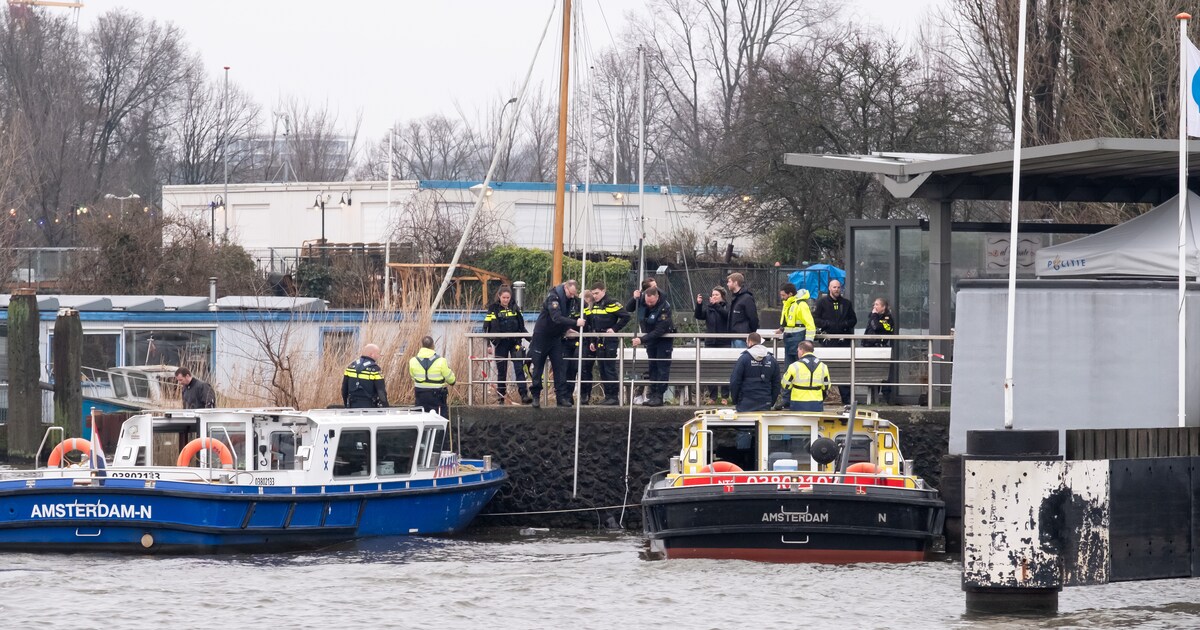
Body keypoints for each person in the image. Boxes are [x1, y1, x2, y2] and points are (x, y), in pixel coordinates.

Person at [527, 279, 585, 408]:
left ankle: (561, 398)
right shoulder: (553, 298)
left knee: (560, 368)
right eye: (571, 293)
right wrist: (575, 323)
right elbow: (556, 317)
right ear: (565, 288)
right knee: (538, 368)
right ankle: (536, 396)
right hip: (542, 337)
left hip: (556, 338)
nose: (572, 296)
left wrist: (566, 329)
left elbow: (561, 319)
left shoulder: (569, 300)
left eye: (574, 294)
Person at [584, 282, 631, 405]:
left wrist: (614, 329)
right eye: (593, 294)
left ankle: (613, 397)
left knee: (609, 369)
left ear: (603, 291)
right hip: (598, 340)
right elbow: (593, 324)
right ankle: (608, 396)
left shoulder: (611, 303)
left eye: (597, 293)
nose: (595, 296)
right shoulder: (595, 305)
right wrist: (592, 341)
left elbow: (626, 316)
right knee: (602, 369)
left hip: (609, 341)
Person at [483, 287, 532, 405]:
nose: (506, 300)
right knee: (502, 371)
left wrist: (532, 340)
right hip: (500, 343)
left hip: (515, 342)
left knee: (519, 368)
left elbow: (522, 328)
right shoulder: (493, 309)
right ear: (499, 296)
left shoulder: (515, 308)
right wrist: (488, 344)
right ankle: (501, 396)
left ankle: (524, 395)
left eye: (508, 298)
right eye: (504, 298)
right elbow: (486, 327)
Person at [813, 279, 857, 404]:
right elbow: (816, 318)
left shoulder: (846, 303)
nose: (836, 289)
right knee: (826, 369)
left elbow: (853, 320)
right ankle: (821, 396)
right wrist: (827, 325)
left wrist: (844, 325)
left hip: (843, 341)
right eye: (834, 287)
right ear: (829, 288)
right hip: (828, 341)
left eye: (838, 287)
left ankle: (846, 399)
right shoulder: (822, 303)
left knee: (844, 369)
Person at [630, 286, 673, 407]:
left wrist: (641, 340)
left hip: (662, 342)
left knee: (662, 368)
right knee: (652, 367)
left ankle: (659, 395)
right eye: (647, 301)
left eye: (652, 302)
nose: (649, 304)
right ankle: (652, 394)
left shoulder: (665, 307)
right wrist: (635, 298)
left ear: (657, 297)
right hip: (650, 342)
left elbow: (660, 330)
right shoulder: (643, 300)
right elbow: (629, 308)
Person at [695, 286, 731, 403]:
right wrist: (699, 304)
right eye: (713, 294)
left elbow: (727, 316)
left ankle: (725, 396)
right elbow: (699, 316)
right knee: (710, 368)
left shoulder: (727, 306)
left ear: (722, 296)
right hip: (710, 342)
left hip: (724, 342)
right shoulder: (709, 308)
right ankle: (713, 396)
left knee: (725, 368)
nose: (714, 297)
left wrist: (716, 305)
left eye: (716, 295)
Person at [728, 332, 780, 412]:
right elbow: (776, 384)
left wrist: (735, 400)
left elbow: (735, 381)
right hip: (765, 403)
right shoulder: (772, 360)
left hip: (745, 403)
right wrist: (771, 402)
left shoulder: (744, 359)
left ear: (750, 342)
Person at [409, 336, 456, 417]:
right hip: (437, 397)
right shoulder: (441, 361)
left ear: (422, 345)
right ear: (433, 346)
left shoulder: (413, 361)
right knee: (440, 420)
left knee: (421, 418)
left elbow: (413, 377)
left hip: (420, 396)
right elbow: (451, 380)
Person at [781, 340, 830, 412]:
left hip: (797, 403)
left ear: (801, 351)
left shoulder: (794, 366)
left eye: (798, 351)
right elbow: (826, 386)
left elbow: (785, 385)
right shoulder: (823, 366)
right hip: (816, 403)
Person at [864, 297, 896, 404]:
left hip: (881, 349)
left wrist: (874, 316)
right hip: (870, 348)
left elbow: (877, 328)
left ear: (883, 307)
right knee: (872, 374)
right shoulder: (873, 317)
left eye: (877, 305)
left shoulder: (888, 318)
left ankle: (886, 399)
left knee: (884, 375)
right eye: (874, 305)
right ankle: (873, 397)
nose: (874, 307)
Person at [775, 282, 815, 367]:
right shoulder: (789, 304)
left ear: (790, 294)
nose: (782, 298)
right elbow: (790, 321)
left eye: (783, 295)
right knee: (790, 367)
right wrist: (782, 329)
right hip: (790, 339)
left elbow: (810, 324)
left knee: (799, 367)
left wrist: (808, 341)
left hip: (798, 339)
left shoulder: (801, 305)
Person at [341, 344, 388, 408]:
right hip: (369, 407)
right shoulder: (375, 369)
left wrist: (346, 404)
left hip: (353, 405)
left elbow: (344, 389)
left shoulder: (351, 366)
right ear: (372, 354)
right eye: (378, 354)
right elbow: (381, 391)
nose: (379, 356)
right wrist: (386, 407)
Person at [726, 272, 759, 348]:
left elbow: (753, 318)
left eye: (729, 282)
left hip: (742, 338)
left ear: (735, 283)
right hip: (734, 337)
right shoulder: (735, 298)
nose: (727, 284)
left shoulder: (746, 298)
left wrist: (749, 333)